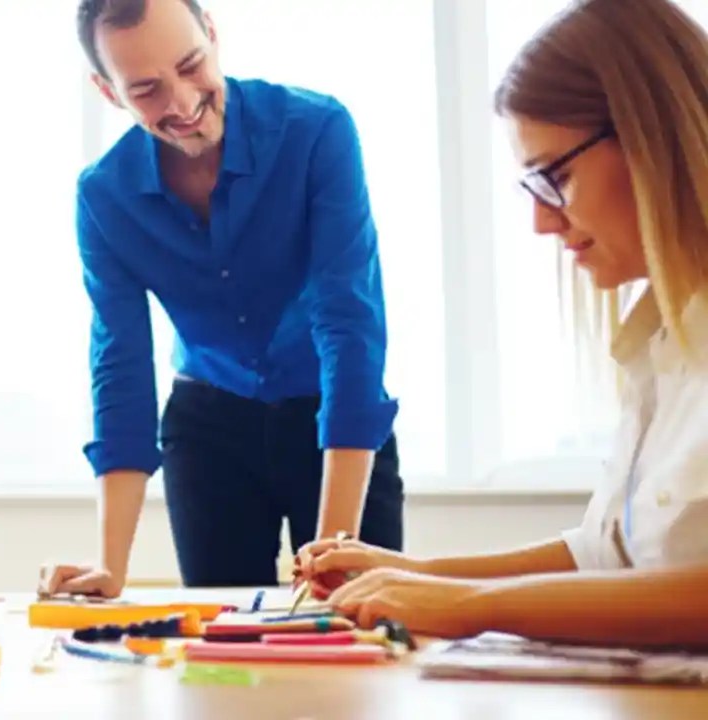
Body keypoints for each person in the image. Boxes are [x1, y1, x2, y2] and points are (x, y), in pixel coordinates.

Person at [296, 0, 708, 647]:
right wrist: (419, 576)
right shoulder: (660, 336)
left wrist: (474, 605)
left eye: (556, 177)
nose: (543, 222)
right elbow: (607, 555)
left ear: (648, 134)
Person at [41, 0, 403, 597]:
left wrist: (334, 549)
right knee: (226, 658)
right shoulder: (103, 196)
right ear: (109, 92)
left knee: (359, 628)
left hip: (337, 417)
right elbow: (120, 367)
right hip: (210, 431)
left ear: (212, 34)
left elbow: (350, 321)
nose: (181, 104)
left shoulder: (316, 131)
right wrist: (109, 566)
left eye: (190, 65)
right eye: (147, 90)